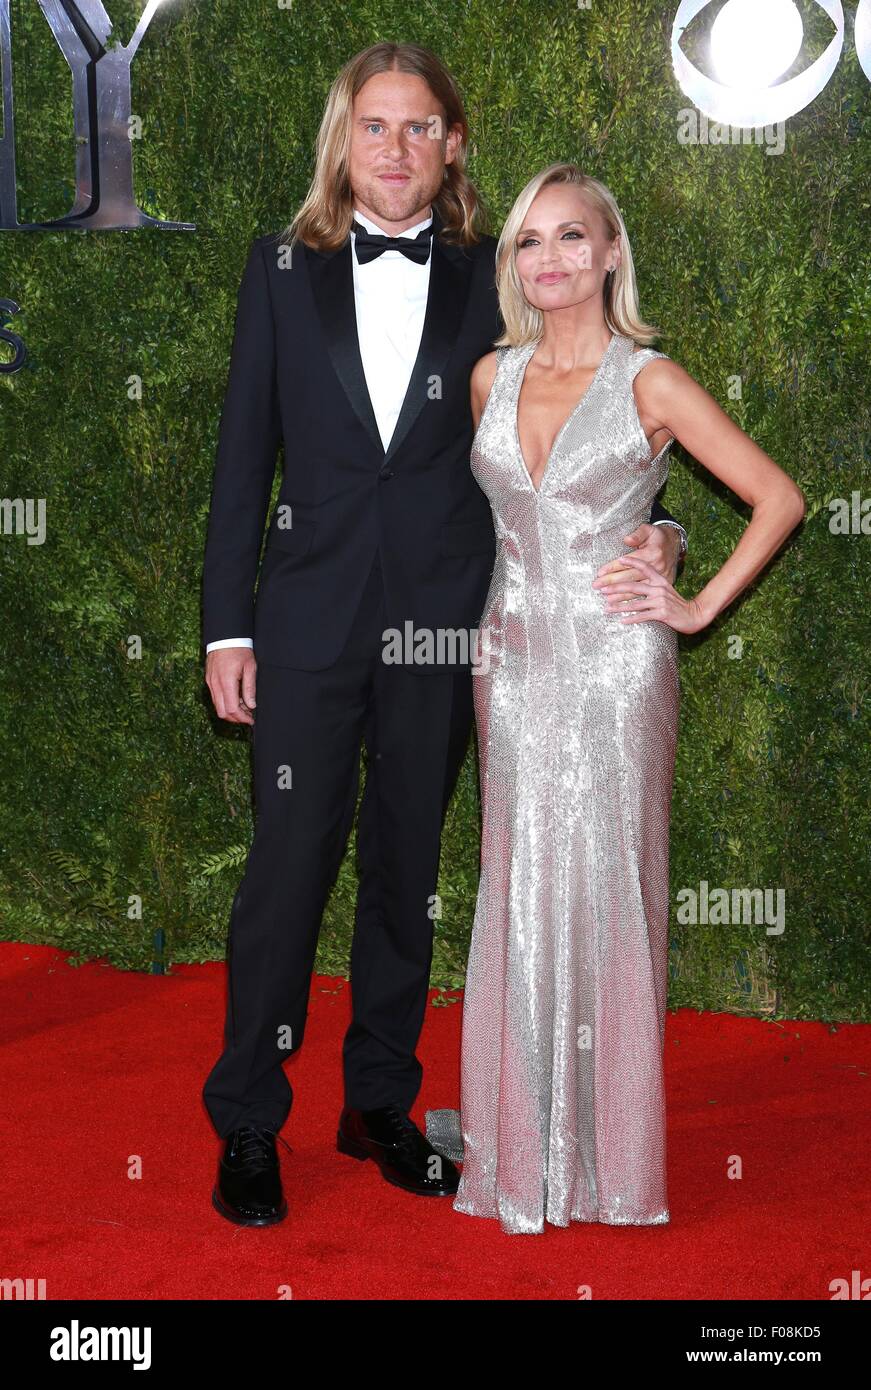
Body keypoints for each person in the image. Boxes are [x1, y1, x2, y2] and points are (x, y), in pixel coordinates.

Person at [200, 45, 686, 1226]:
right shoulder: (280, 268)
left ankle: (378, 1105)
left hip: (449, 628)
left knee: (407, 872)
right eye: (376, 126)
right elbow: (239, 454)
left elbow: (586, 412)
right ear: (343, 136)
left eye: (421, 128)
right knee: (286, 872)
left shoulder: (495, 277)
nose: (398, 149)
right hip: (306, 627)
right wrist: (225, 628)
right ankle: (249, 1121)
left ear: (453, 143)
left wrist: (660, 530)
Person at [426, 164, 805, 1235]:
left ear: (607, 253)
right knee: (516, 880)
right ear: (515, 265)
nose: (548, 260)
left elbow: (778, 497)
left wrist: (691, 602)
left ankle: (602, 1162)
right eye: (528, 243)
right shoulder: (488, 378)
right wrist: (671, 529)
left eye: (569, 238)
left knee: (608, 889)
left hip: (614, 662)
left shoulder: (652, 380)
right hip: (508, 658)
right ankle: (518, 1151)